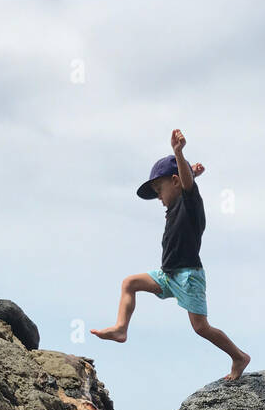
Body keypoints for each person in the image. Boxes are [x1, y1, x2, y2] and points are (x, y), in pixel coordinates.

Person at [91, 129, 251, 380]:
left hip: (188, 276)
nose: (158, 197)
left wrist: (179, 153)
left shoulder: (189, 203)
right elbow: (183, 183)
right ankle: (121, 329)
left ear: (175, 182)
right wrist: (191, 171)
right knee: (129, 283)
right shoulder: (175, 205)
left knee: (201, 327)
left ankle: (239, 357)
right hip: (168, 275)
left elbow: (187, 187)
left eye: (159, 189)